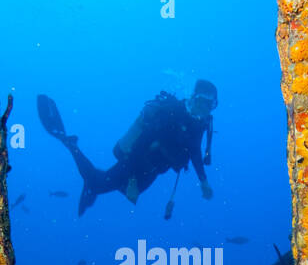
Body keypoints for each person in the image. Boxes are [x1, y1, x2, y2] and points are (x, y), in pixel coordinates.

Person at [36, 81, 217, 217]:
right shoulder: (172, 114)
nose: (204, 111)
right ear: (194, 99)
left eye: (209, 107)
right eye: (201, 104)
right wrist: (131, 178)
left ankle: (91, 181)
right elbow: (140, 144)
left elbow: (194, 151)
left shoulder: (198, 124)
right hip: (135, 163)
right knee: (98, 184)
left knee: (105, 184)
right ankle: (71, 145)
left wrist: (204, 181)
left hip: (152, 171)